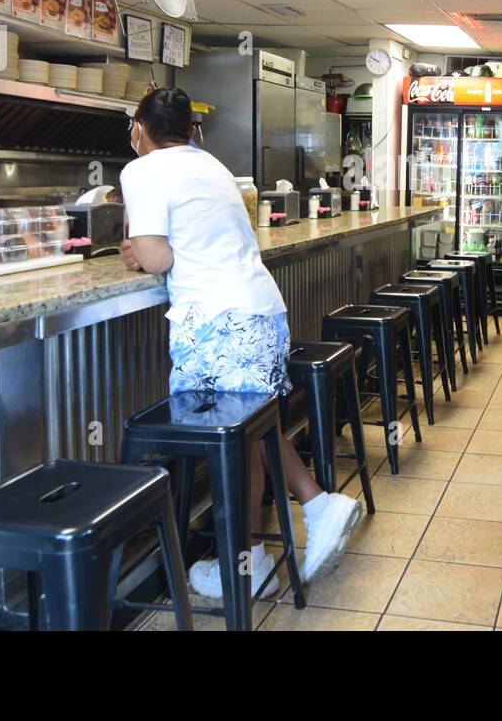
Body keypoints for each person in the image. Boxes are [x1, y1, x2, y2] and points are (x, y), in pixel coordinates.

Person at [118, 87, 360, 596]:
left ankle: (299, 520)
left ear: (139, 129)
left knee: (237, 439)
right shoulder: (212, 165)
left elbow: (158, 258)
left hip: (217, 320)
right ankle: (254, 559)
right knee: (249, 432)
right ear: (191, 130)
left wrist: (139, 251)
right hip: (261, 312)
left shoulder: (142, 170)